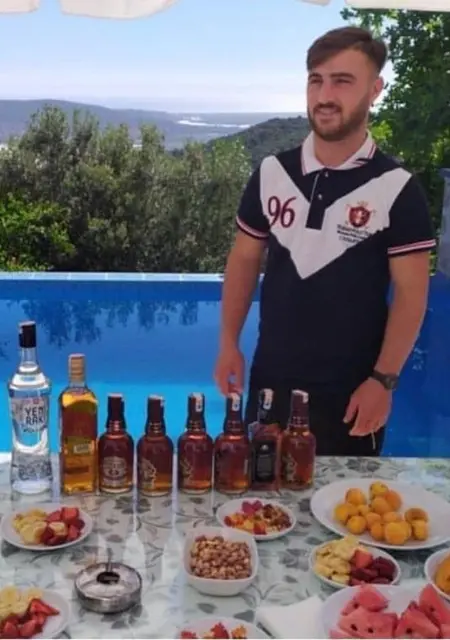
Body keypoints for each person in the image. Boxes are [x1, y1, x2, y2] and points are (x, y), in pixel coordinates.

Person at [213, 26, 435, 457]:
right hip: (270, 385)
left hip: (352, 397)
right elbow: (244, 259)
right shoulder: (271, 173)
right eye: (316, 80)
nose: (324, 95)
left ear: (375, 90)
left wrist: (384, 380)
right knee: (259, 494)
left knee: (345, 502)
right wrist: (227, 343)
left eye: (342, 81)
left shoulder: (397, 188)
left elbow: (412, 294)